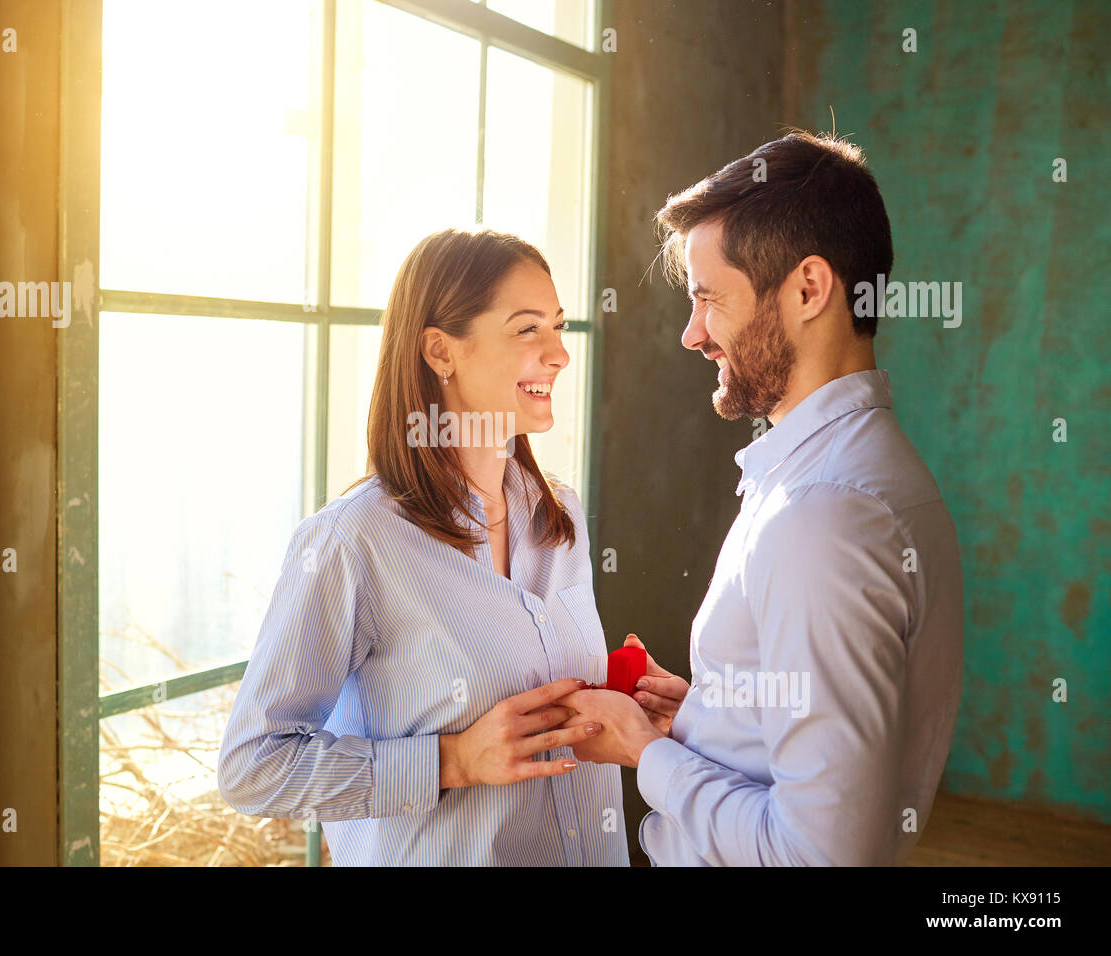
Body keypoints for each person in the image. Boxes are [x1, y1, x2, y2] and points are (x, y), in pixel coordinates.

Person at [559, 131, 965, 866]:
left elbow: (818, 855)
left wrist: (644, 751)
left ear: (809, 289)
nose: (692, 335)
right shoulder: (842, 479)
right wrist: (714, 718)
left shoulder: (827, 514)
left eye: (709, 299)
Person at [218, 227, 647, 865]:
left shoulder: (558, 514)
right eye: (528, 329)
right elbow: (253, 767)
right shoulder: (354, 542)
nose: (559, 353)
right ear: (441, 351)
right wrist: (452, 761)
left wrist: (616, 698)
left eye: (559, 326)